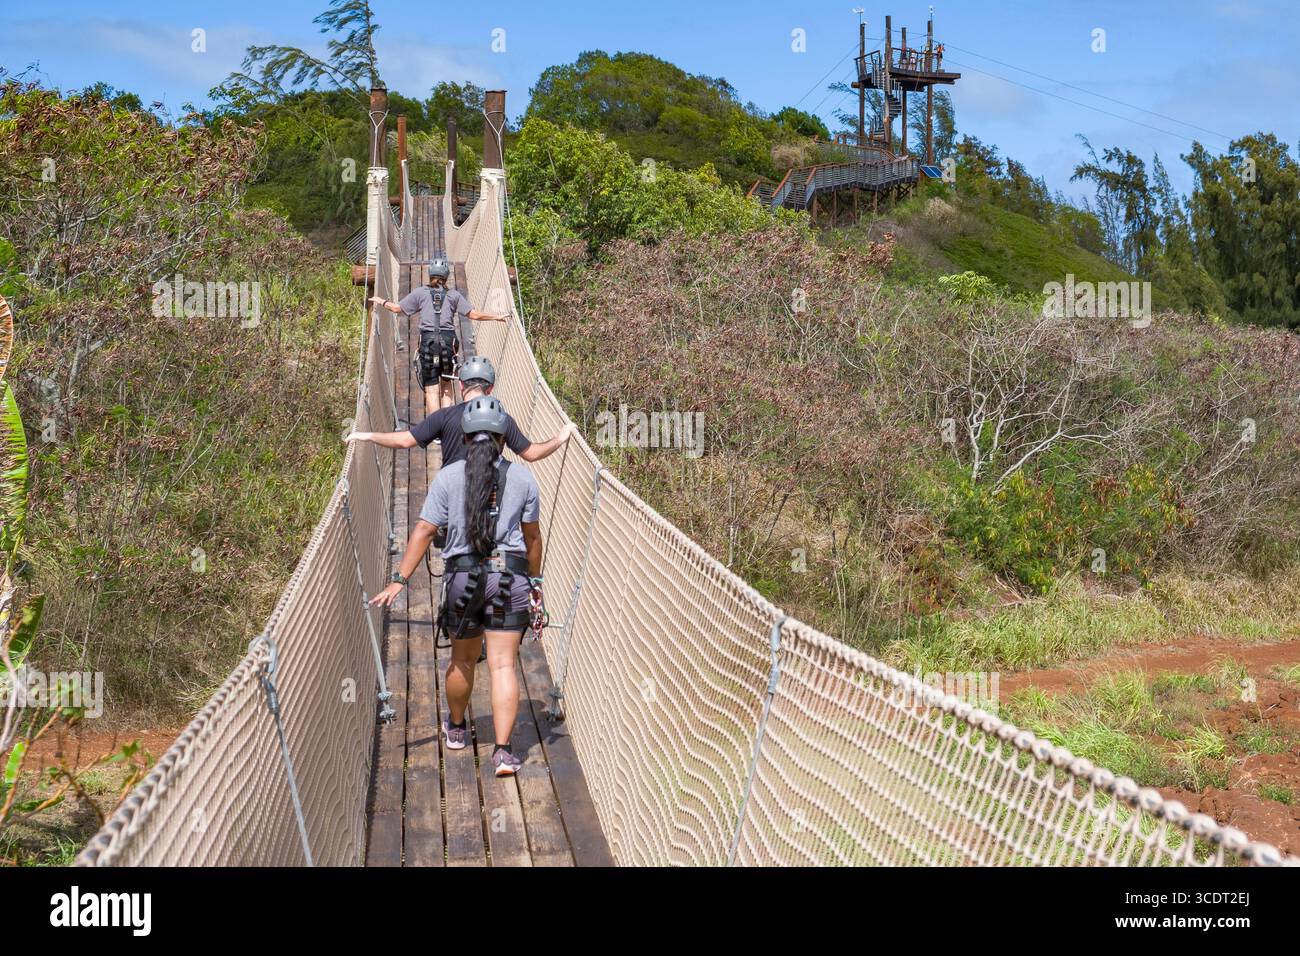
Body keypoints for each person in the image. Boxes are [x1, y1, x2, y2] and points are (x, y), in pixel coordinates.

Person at [370, 396, 542, 777]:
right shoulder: (523, 478)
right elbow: (532, 540)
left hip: (464, 579)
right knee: (502, 665)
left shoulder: (448, 478)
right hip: (510, 577)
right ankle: (502, 752)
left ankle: (458, 729)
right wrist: (536, 583)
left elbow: (424, 530)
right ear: (503, 440)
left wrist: (400, 579)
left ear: (464, 438)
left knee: (463, 660)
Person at [346, 355, 575, 468]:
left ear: (461, 385)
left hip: (452, 493)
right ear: (491, 388)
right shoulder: (503, 419)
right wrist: (560, 437)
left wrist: (368, 435)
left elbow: (405, 441)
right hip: (491, 493)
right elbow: (531, 454)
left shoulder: (444, 417)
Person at [369, 258, 508, 411]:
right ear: (446, 276)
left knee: (431, 386)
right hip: (448, 343)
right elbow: (473, 314)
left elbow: (396, 309)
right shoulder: (453, 295)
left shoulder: (420, 292)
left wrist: (381, 301)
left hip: (428, 342)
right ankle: (447, 420)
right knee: (447, 383)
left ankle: (435, 428)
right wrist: (495, 316)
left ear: (430, 275)